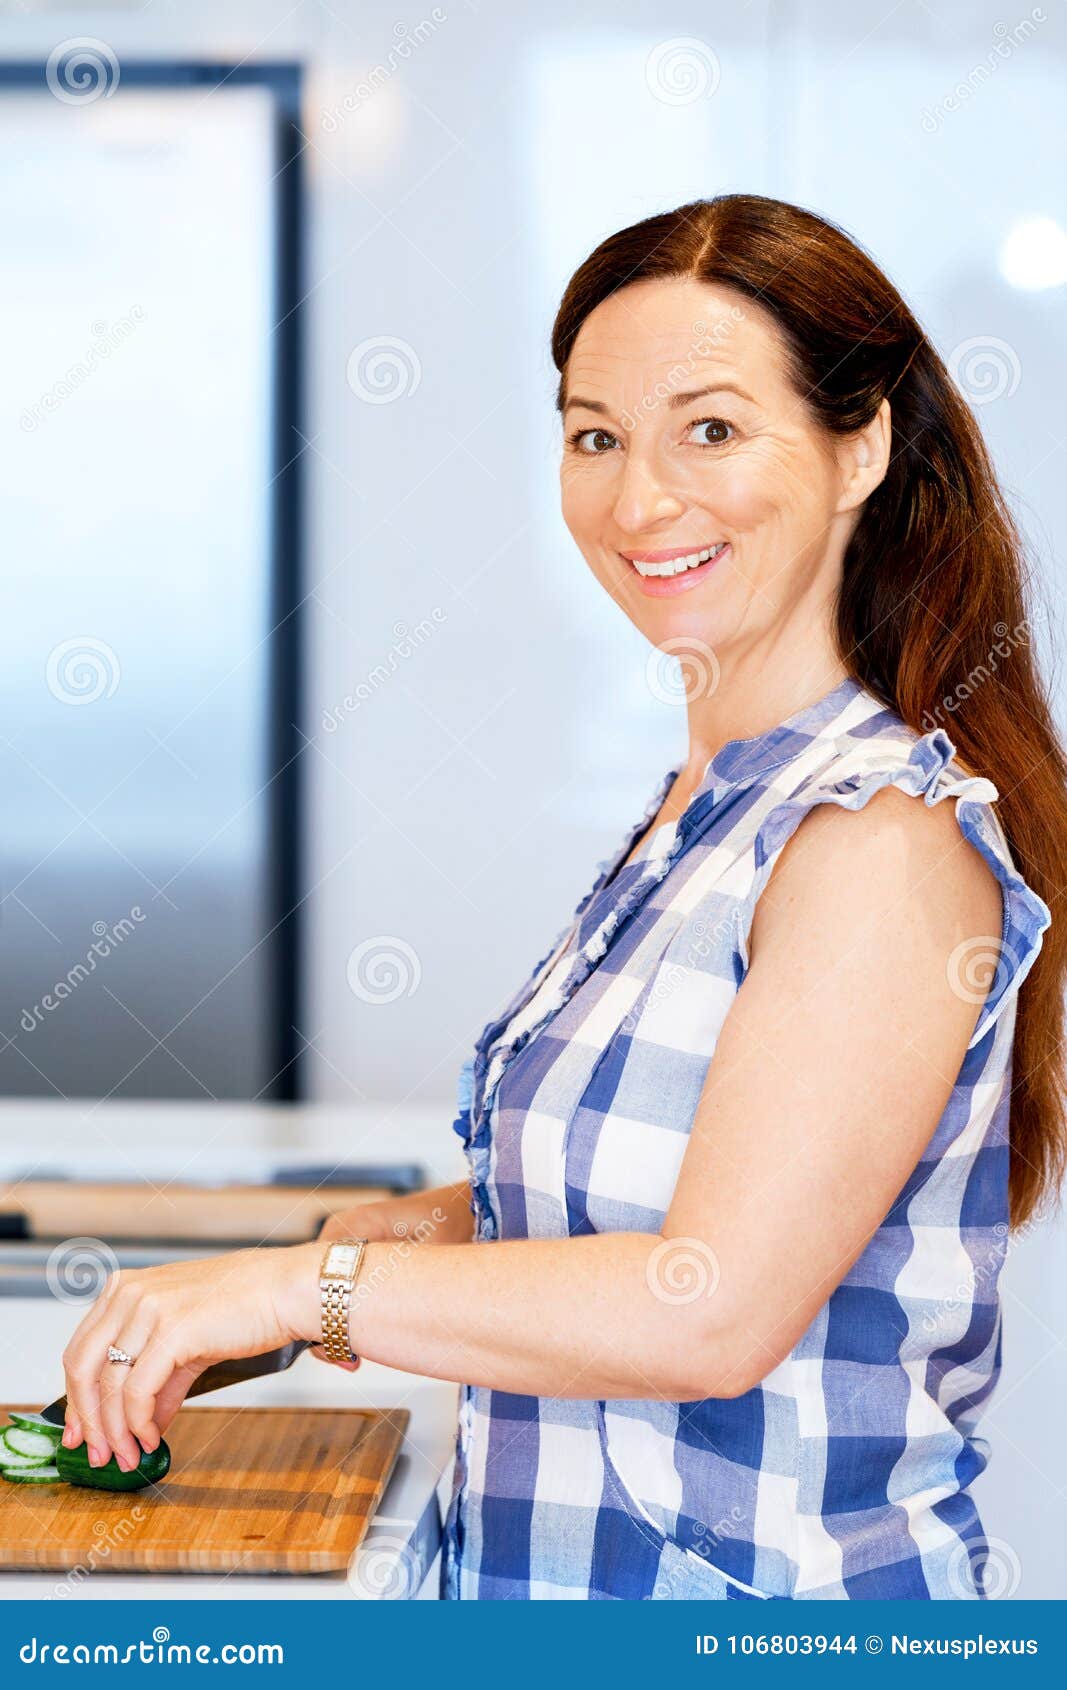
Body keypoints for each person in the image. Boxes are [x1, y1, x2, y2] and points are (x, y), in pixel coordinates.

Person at [60, 194, 1067, 1601]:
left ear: (862, 449)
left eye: (710, 429)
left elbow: (707, 1306)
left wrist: (301, 1291)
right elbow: (572, 1214)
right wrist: (281, 1279)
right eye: (597, 435)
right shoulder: (703, 816)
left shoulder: (876, 837)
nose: (640, 498)